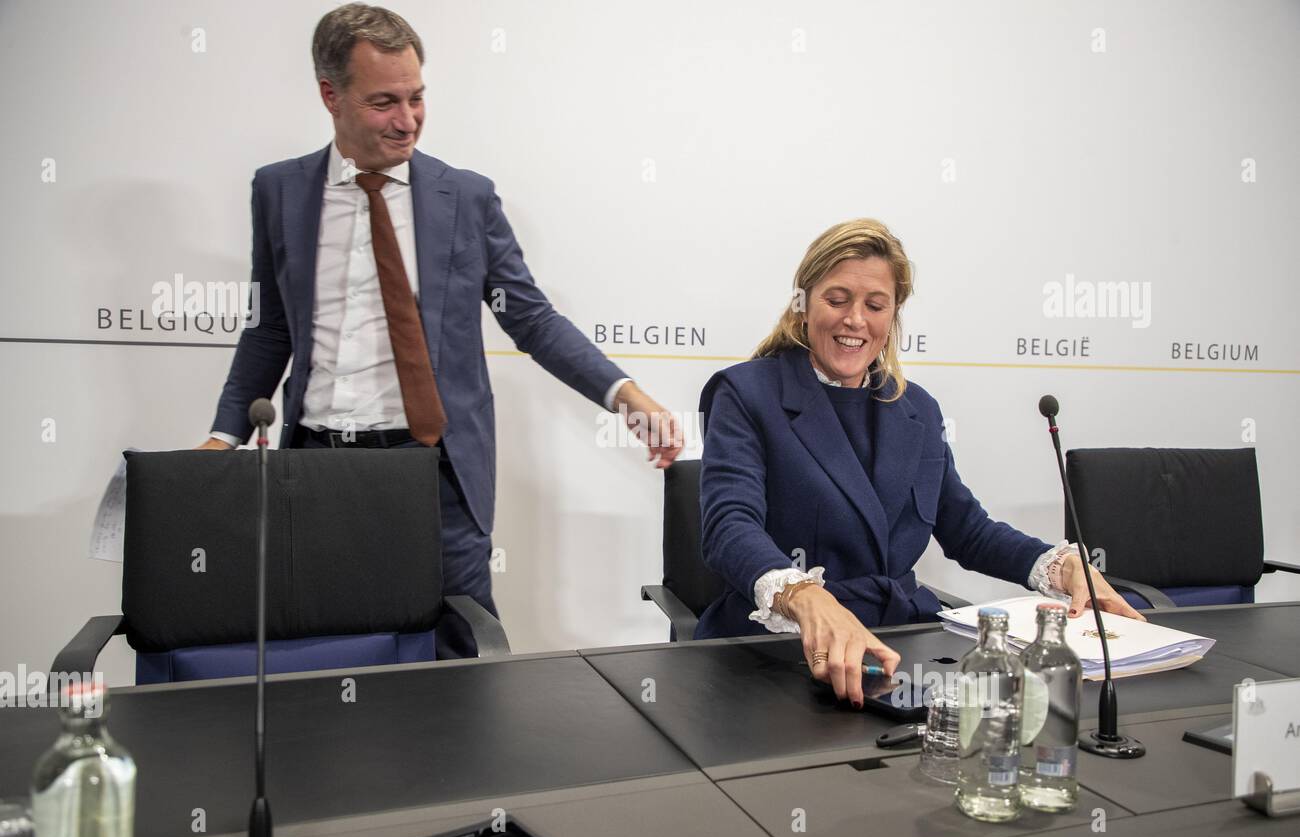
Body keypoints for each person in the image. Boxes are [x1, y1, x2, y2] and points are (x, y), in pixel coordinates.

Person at [199, 4, 681, 657]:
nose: (407, 120)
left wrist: (626, 396)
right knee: (324, 657)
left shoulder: (467, 198)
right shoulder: (279, 191)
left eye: (417, 98)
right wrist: (223, 436)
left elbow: (530, 318)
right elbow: (270, 328)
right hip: (316, 468)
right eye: (384, 102)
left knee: (463, 664)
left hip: (436, 475)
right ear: (330, 96)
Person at [695, 218, 1143, 706]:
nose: (855, 320)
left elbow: (968, 530)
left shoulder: (917, 409)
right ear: (803, 306)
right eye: (837, 299)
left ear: (894, 315)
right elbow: (729, 525)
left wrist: (1061, 568)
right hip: (778, 651)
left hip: (901, 644)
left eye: (875, 305)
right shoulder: (745, 392)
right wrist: (806, 598)